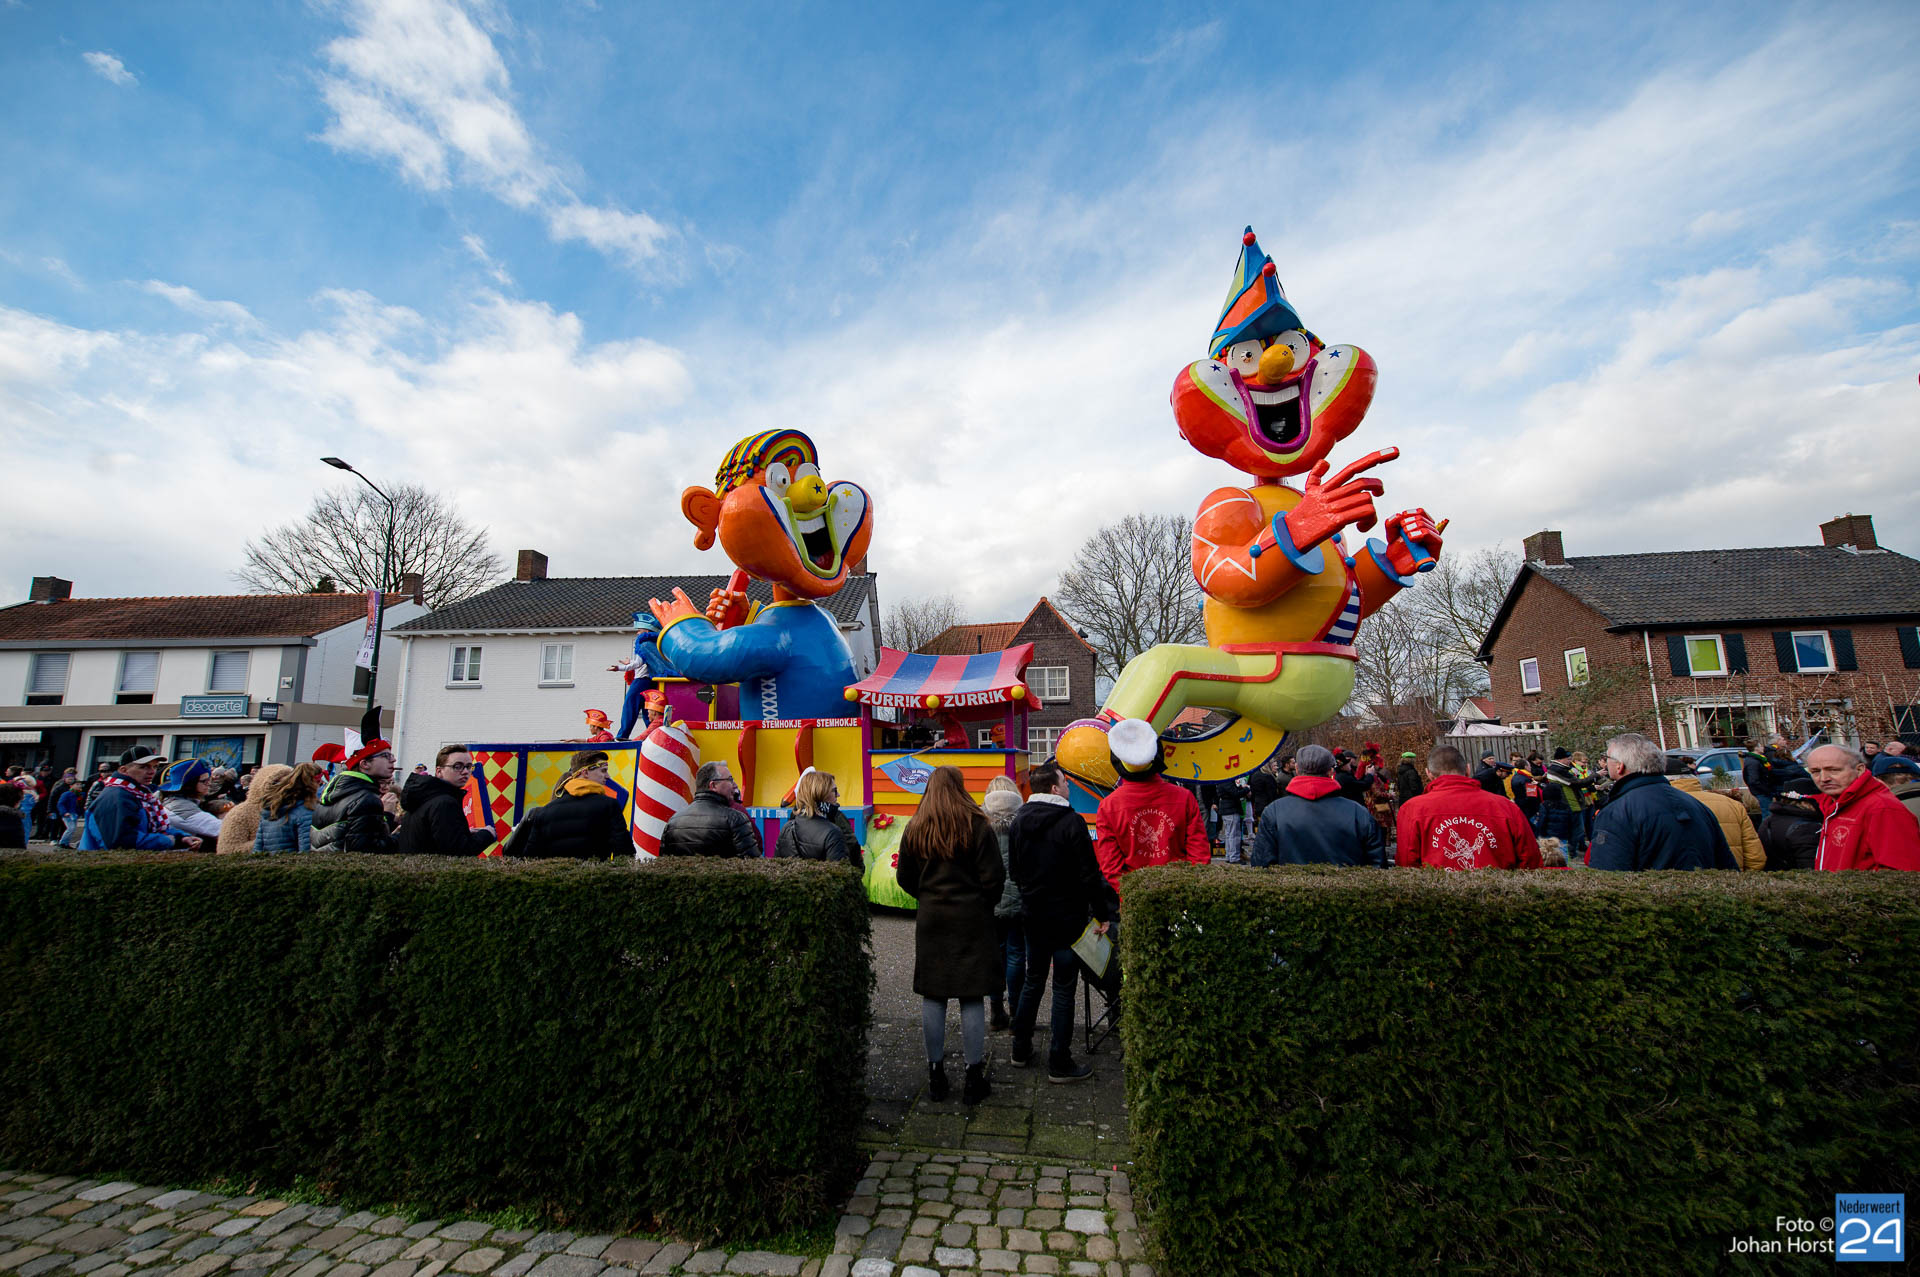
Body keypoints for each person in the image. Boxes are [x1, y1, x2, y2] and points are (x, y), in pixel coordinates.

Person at [895, 766, 1006, 1106]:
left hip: (932, 921)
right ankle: (973, 1078)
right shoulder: (978, 825)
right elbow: (994, 878)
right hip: (972, 919)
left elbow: (904, 877)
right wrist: (981, 903)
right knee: (971, 995)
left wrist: (928, 898)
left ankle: (936, 1075)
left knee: (934, 994)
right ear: (960, 787)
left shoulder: (916, 827)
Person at [1007, 759, 1118, 1083]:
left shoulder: (1019, 820)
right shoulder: (1071, 822)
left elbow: (1015, 871)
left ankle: (1020, 1049)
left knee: (1034, 979)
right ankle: (1059, 1060)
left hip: (1034, 915)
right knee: (1063, 987)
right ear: (1055, 788)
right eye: (1065, 782)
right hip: (1068, 918)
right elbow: (1089, 874)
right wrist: (1102, 913)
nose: (1069, 786)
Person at [1093, 718, 1210, 895]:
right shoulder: (1184, 798)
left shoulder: (1108, 806)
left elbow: (1110, 867)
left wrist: (1134, 896)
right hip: (1180, 896)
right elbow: (1200, 856)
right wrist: (1186, 892)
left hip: (1135, 901)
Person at [1588, 734, 1735, 871]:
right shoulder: (1696, 805)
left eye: (1607, 757)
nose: (1605, 763)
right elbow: (1727, 867)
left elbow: (1608, 874)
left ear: (1619, 766)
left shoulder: (1617, 812)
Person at [1393, 745, 1541, 869]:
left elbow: (1407, 864)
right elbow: (1530, 861)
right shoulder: (1506, 807)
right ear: (1468, 770)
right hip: (1497, 891)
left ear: (1429, 774)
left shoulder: (1411, 810)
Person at [1250, 744, 1386, 867]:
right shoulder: (1358, 812)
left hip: (1290, 886)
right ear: (1331, 771)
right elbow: (1378, 866)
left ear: (1297, 769)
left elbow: (1261, 864)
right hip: (1347, 885)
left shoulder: (1274, 812)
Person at [1806, 744, 1920, 871]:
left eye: (1834, 770)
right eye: (1815, 772)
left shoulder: (1882, 808)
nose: (1824, 778)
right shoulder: (1833, 804)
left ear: (1859, 770)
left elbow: (1903, 871)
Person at [508, 749, 631, 859]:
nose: (607, 776)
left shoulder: (545, 812)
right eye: (603, 771)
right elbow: (624, 853)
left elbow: (531, 857)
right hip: (596, 876)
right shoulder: (609, 805)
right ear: (585, 773)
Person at [81, 747, 200, 850]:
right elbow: (121, 841)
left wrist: (181, 837)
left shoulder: (137, 793)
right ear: (123, 770)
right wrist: (171, 840)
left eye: (155, 767)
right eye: (143, 767)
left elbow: (153, 829)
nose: (152, 772)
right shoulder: (117, 797)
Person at [1664, 758, 1765, 871]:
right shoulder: (1732, 805)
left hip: (1684, 879)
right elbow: (1756, 857)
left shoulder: (1662, 807)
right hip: (1733, 876)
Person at [397, 745, 498, 856]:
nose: (465, 771)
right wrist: (487, 834)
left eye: (469, 767)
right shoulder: (445, 803)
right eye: (457, 766)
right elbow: (458, 852)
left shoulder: (424, 797)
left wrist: (462, 833)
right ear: (439, 771)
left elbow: (432, 839)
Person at [982, 777, 1024, 1030]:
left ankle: (996, 1010)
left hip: (990, 898)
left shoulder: (980, 821)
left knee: (995, 956)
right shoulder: (1024, 819)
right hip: (1019, 897)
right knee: (1017, 954)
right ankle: (1018, 1012)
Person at [310, 739, 399, 853]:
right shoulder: (366, 800)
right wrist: (402, 837)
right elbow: (366, 851)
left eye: (391, 755)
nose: (393, 760)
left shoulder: (331, 794)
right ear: (364, 764)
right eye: (385, 756)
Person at [658, 761, 760, 857]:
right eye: (730, 780)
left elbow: (665, 863)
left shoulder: (674, 821)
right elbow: (751, 862)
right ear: (713, 785)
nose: (733, 785)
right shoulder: (735, 819)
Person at [774, 769, 856, 864]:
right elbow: (838, 871)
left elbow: (777, 866)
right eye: (834, 790)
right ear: (821, 793)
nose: (838, 795)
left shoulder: (787, 828)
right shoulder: (832, 833)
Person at [217, 763, 292, 854]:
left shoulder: (294, 811)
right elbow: (227, 850)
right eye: (277, 783)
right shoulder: (241, 813)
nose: (284, 789)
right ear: (262, 784)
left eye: (289, 784)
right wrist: (270, 843)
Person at [254, 763, 325, 853]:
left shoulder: (271, 807)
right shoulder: (306, 811)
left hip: (268, 860)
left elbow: (258, 847)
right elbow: (305, 851)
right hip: (290, 860)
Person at [1538, 749, 1591, 859]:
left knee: (1577, 831)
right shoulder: (1558, 770)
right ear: (1560, 759)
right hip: (1568, 805)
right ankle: (1570, 853)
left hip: (1570, 805)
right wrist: (1596, 775)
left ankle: (1570, 853)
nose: (1570, 761)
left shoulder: (1564, 769)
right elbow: (1577, 783)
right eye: (1568, 759)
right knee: (1575, 831)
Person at [158, 760, 226, 844]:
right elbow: (223, 830)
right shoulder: (180, 807)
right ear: (189, 785)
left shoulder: (178, 801)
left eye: (209, 779)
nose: (209, 784)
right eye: (204, 781)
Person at [1758, 787, 1822, 871]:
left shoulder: (1768, 821)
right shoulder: (1807, 827)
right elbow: (1809, 865)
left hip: (1771, 875)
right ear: (1807, 803)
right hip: (1797, 876)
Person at [1248, 758, 1282, 822]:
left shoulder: (1254, 775)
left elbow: (1253, 792)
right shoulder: (1267, 777)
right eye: (1274, 765)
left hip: (1258, 806)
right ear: (1269, 766)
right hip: (1268, 807)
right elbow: (1272, 794)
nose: (1276, 767)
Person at [55, 780, 85, 847]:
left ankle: (66, 843)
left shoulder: (80, 794)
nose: (79, 786)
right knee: (70, 828)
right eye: (77, 784)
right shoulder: (67, 794)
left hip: (75, 813)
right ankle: (62, 842)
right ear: (71, 786)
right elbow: (60, 804)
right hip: (68, 814)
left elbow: (80, 805)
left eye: (80, 784)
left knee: (73, 829)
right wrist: (64, 812)